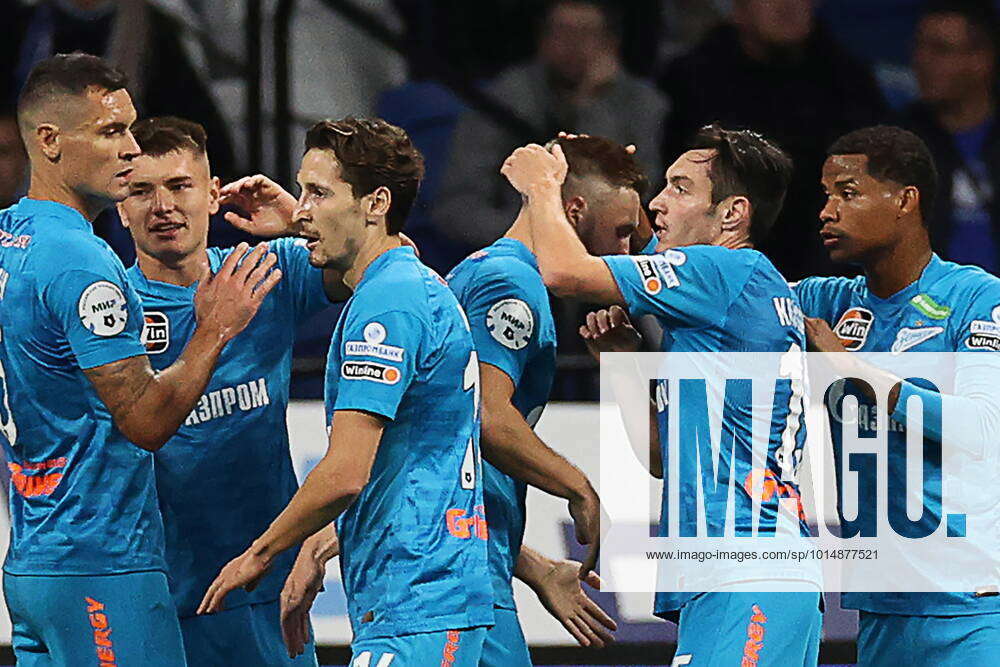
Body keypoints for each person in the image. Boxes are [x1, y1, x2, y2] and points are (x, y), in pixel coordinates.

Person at [501, 124, 822, 664]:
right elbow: (662, 457)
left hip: (748, 567)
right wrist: (626, 367)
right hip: (740, 573)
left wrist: (543, 185)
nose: (657, 202)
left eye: (679, 188)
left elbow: (563, 270)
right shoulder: (724, 296)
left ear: (732, 215)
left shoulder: (721, 270)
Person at [0, 53, 279, 665]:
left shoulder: (9, 237)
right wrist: (212, 332)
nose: (130, 148)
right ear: (48, 141)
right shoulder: (82, 260)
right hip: (104, 562)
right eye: (109, 132)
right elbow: (146, 421)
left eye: (128, 127)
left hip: (33, 561)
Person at [198, 117, 493, 665]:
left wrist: (260, 554)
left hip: (418, 599)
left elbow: (345, 473)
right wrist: (318, 542)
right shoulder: (405, 281)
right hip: (421, 596)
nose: (301, 208)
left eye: (318, 192)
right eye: (302, 189)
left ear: (376, 202)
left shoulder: (385, 306)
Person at [115, 115, 351, 665]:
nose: (163, 206)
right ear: (120, 207)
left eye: (179, 186)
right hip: (158, 594)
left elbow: (396, 270)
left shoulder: (265, 273)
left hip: (264, 584)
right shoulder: (107, 309)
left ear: (214, 193)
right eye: (141, 191)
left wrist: (298, 220)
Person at [794, 125, 1000, 666]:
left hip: (971, 610)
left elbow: (980, 428)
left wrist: (852, 369)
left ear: (906, 200)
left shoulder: (976, 298)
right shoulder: (825, 302)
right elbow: (723, 292)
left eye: (848, 192)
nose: (826, 211)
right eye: (825, 194)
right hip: (881, 609)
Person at [446, 134, 647, 663]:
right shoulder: (511, 285)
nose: (627, 252)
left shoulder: (481, 268)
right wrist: (579, 489)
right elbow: (488, 417)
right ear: (574, 211)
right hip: (464, 577)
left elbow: (447, 443)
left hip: (468, 557)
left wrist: (533, 566)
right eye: (622, 232)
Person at [658, 0, 887, 279]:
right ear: (738, 9)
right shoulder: (689, 80)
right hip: (710, 269)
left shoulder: (851, 83)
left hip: (822, 267)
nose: (788, 5)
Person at [433, 0, 667, 262]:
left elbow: (637, 195)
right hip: (515, 253)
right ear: (541, 38)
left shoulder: (642, 103)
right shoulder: (502, 98)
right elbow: (455, 206)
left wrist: (591, 102)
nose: (573, 45)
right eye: (563, 31)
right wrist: (532, 238)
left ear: (611, 42)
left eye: (586, 33)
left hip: (608, 256)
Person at [899, 0, 1000, 272]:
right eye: (920, 47)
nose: (922, 61)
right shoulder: (897, 145)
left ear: (982, 60)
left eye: (940, 50)